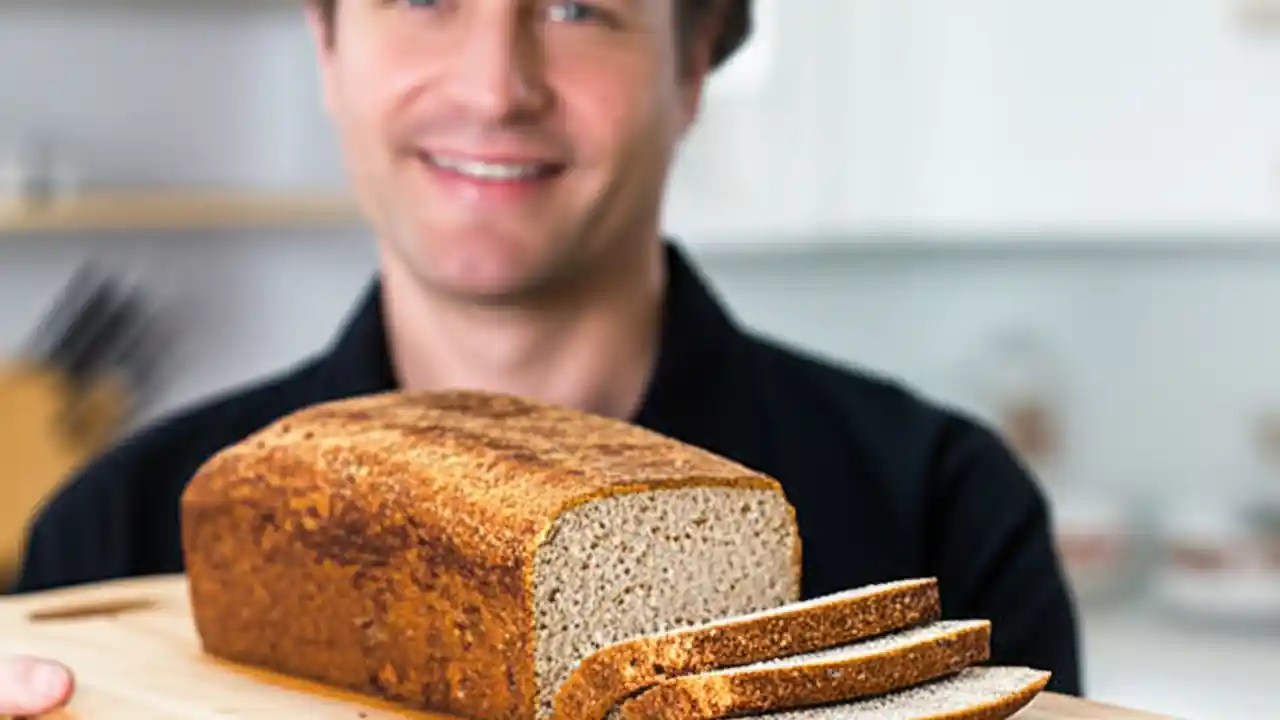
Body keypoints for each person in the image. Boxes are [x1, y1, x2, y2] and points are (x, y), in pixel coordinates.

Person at [1, 0, 1082, 714]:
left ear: (692, 64)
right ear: (327, 50)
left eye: (578, 6)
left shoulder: (943, 504)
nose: (494, 85)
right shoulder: (115, 530)